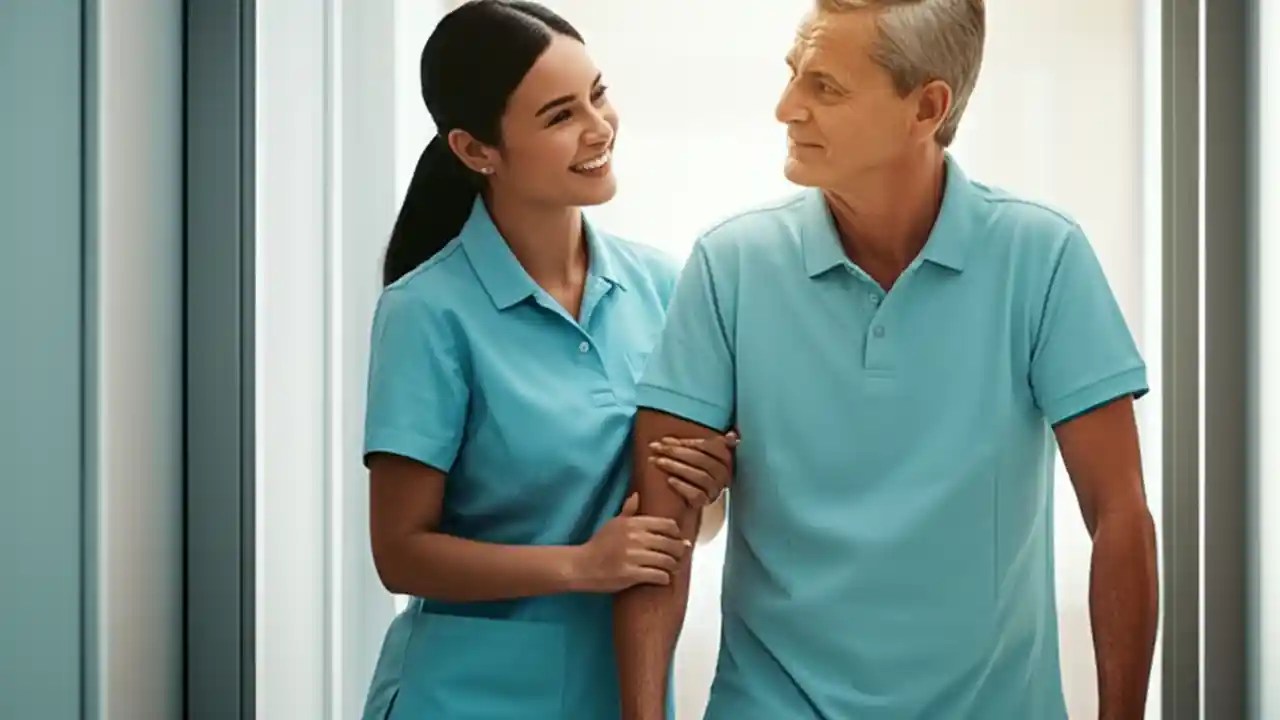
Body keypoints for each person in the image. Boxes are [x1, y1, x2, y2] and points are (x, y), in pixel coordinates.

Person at [614, 1, 1159, 718]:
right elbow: (662, 531)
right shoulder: (729, 266)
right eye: (792, 76)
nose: (786, 109)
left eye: (825, 88)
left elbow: (1119, 515)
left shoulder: (1043, 257)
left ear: (927, 107)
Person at [360, 2, 737, 718]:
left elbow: (678, 525)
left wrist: (707, 488)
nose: (599, 129)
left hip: (618, 690)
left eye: (598, 94)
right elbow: (401, 553)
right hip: (468, 697)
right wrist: (581, 566)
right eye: (560, 116)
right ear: (477, 150)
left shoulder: (663, 286)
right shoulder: (427, 312)